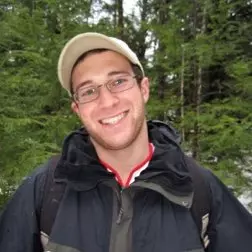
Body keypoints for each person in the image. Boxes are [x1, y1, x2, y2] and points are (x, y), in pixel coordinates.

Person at [0, 32, 252, 252]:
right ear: (77, 108)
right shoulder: (44, 191)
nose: (107, 101)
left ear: (144, 89)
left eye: (118, 81)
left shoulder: (199, 190)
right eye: (89, 91)